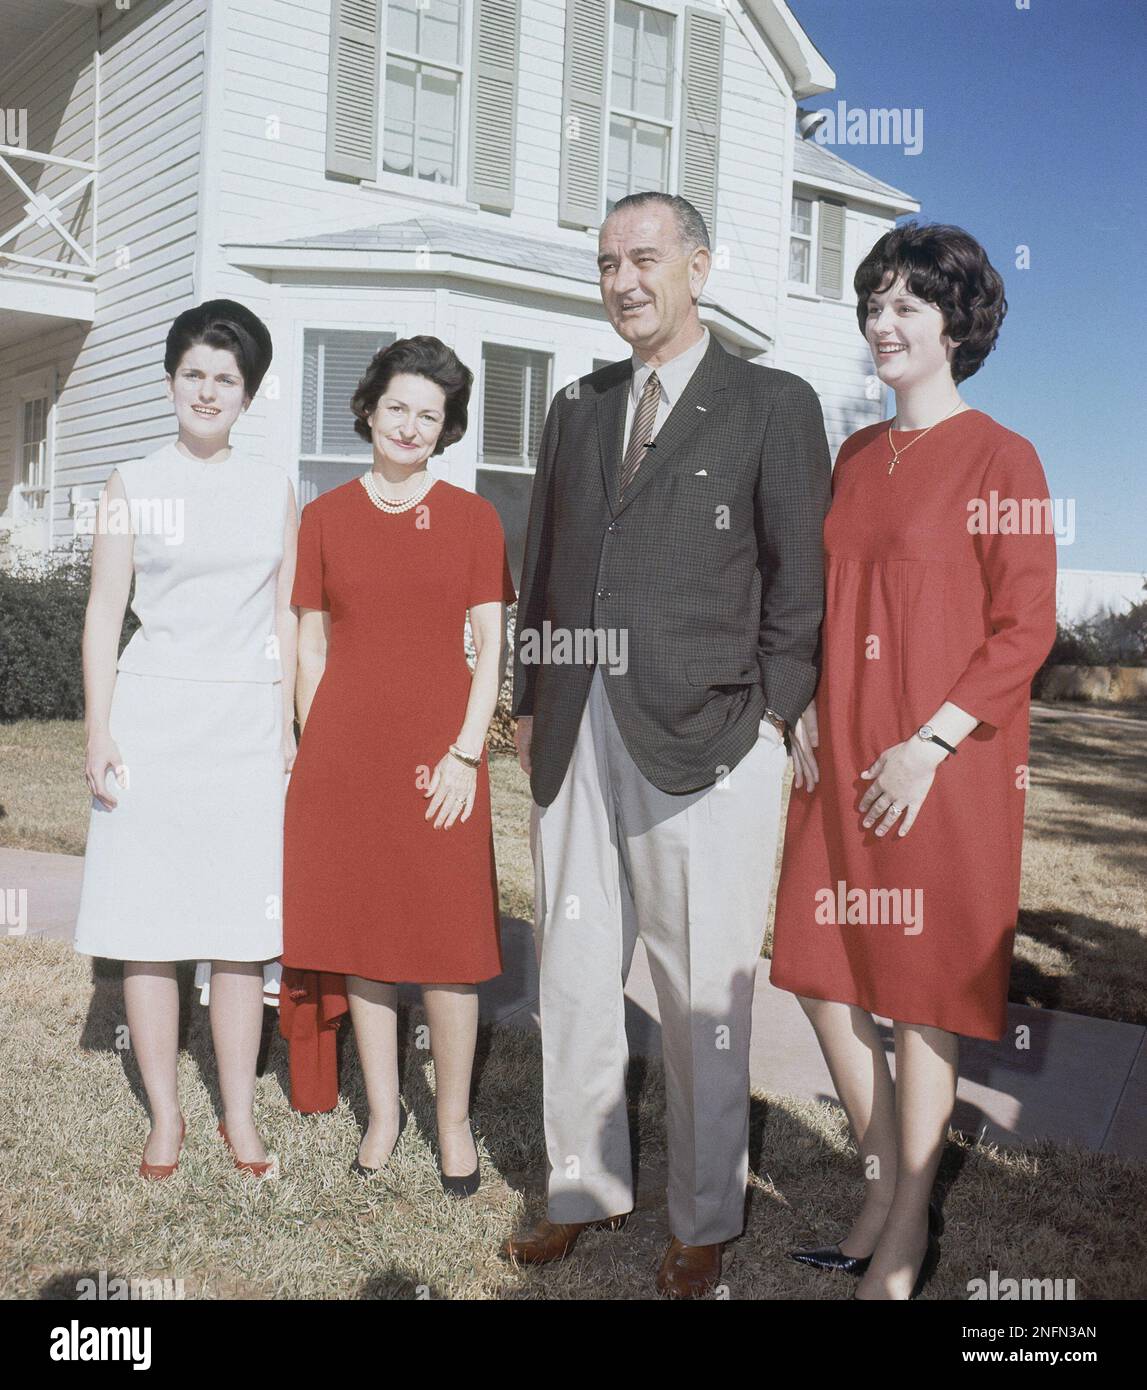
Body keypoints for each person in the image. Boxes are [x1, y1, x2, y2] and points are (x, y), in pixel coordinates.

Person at [502, 192, 832, 1297]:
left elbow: (801, 586)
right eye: (605, 263)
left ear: (698, 264)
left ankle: (703, 1218)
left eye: (643, 258)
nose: (622, 280)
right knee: (576, 975)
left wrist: (775, 718)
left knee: (701, 996)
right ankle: (578, 1188)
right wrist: (532, 701)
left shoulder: (770, 402)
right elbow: (546, 555)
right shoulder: (578, 406)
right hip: (577, 731)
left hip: (710, 741)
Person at [770, 222, 1058, 1299]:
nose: (882, 325)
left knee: (922, 994)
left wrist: (928, 743)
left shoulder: (1002, 456)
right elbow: (821, 598)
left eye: (906, 307)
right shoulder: (853, 454)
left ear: (955, 326)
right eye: (873, 305)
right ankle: (889, 1174)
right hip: (839, 751)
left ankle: (899, 1232)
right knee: (818, 972)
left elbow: (1025, 628)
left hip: (942, 763)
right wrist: (801, 706)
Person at [281, 335, 515, 1197]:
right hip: (346, 754)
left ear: (446, 426)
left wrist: (464, 751)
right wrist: (319, 748)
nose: (412, 425)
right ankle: (383, 1111)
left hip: (443, 757)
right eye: (398, 407)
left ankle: (451, 1121)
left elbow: (491, 648)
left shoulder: (471, 518)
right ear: (368, 411)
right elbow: (309, 643)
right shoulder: (325, 517)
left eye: (431, 413)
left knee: (450, 949)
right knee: (366, 941)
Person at [74, 299, 297, 1180]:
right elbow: (102, 614)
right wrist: (98, 726)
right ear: (171, 380)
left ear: (248, 394)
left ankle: (238, 1115)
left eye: (227, 379)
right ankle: (166, 1115)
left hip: (244, 721)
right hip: (152, 722)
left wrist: (283, 722)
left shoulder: (273, 486)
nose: (208, 391)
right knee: (150, 923)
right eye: (194, 374)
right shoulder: (131, 482)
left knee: (241, 930)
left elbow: (286, 612)